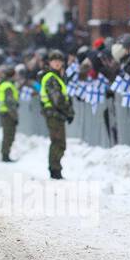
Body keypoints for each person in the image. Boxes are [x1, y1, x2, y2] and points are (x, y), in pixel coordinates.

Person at [39, 51, 73, 179]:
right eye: (54, 60)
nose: (57, 63)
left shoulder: (56, 76)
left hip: (56, 114)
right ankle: (55, 169)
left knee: (58, 142)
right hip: (54, 114)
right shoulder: (51, 78)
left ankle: (55, 168)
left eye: (59, 60)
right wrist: (68, 112)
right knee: (58, 142)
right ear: (50, 63)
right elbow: (57, 99)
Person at [0, 64, 18, 162]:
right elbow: (10, 103)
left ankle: (5, 154)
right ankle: (5, 155)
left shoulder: (3, 84)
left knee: (7, 134)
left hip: (4, 112)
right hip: (8, 114)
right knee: (9, 135)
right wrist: (15, 116)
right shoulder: (8, 86)